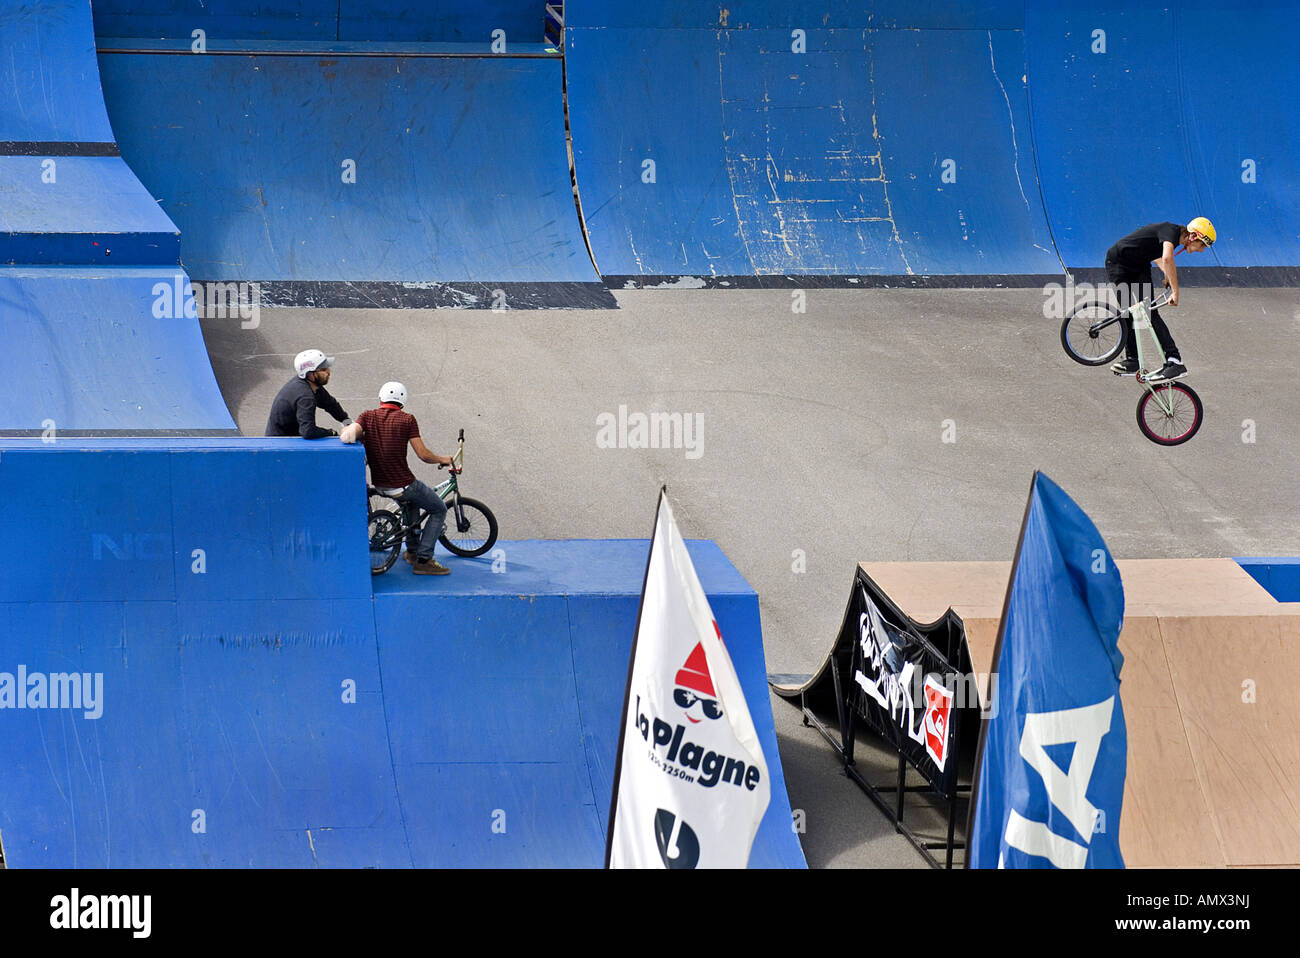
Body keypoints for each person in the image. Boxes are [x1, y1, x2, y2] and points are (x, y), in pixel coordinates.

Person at [341, 382, 455, 576]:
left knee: (412, 506)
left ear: (381, 399)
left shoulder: (367, 416)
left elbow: (350, 434)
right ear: (403, 401)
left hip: (381, 483)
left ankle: (411, 552)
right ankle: (424, 560)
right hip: (402, 484)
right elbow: (423, 455)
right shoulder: (407, 420)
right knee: (438, 509)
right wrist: (444, 459)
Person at [1106, 217, 1216, 383]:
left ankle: (1174, 361)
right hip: (1118, 263)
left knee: (1150, 313)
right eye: (1202, 246)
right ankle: (1132, 360)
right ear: (1193, 237)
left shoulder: (1171, 239)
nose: (1201, 251)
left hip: (1138, 267)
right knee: (1127, 313)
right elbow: (1166, 258)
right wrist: (1175, 291)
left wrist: (1167, 275)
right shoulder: (1170, 231)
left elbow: (1157, 256)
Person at [265, 349, 351, 438]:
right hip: (280, 444)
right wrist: (331, 433)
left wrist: (347, 422)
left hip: (292, 437)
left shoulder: (311, 384)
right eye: (323, 369)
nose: (328, 372)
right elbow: (308, 431)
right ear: (310, 374)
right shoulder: (305, 397)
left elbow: (330, 404)